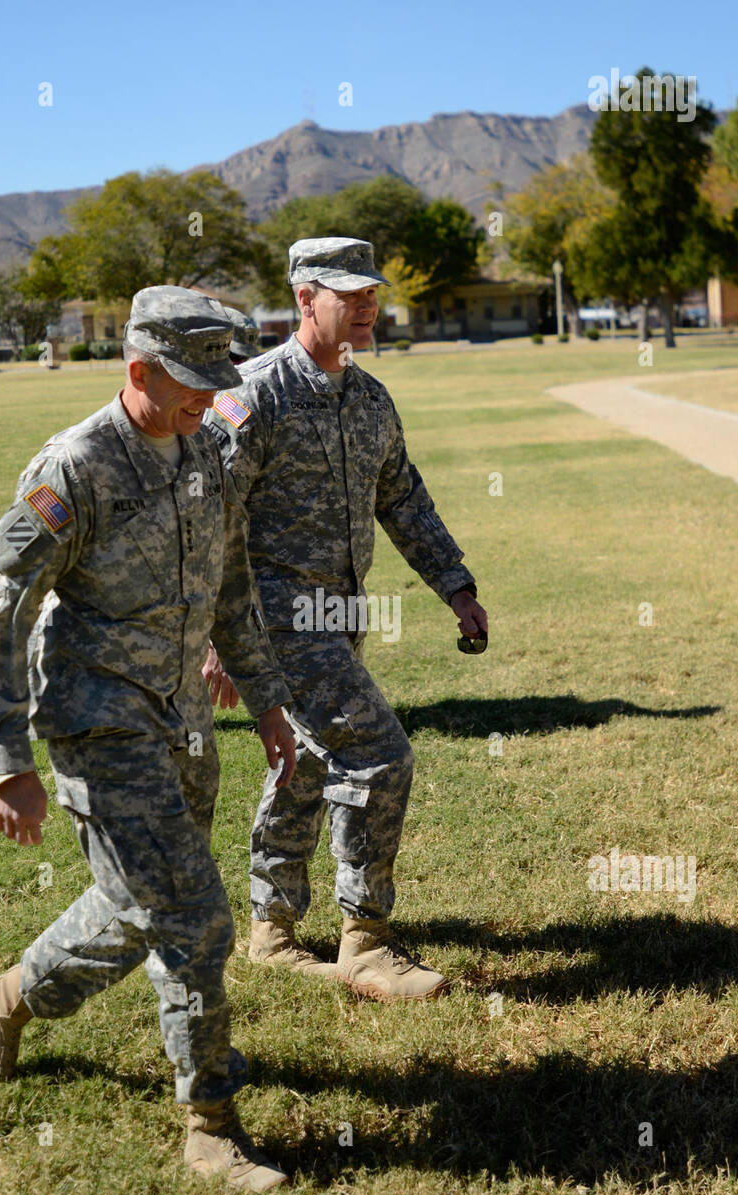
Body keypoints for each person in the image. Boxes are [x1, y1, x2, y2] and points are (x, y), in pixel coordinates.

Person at [0, 286, 297, 1193]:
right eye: (187, 383)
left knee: (138, 904)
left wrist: (263, 699)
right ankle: (210, 1126)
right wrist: (7, 761)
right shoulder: (77, 466)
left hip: (182, 717)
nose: (204, 400)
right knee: (194, 917)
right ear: (136, 369)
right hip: (99, 724)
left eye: (213, 382)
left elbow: (231, 588)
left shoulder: (209, 450)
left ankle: (0, 1001)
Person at [201, 237, 489, 1002]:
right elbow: (214, 520)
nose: (367, 307)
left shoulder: (369, 400)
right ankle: (366, 940)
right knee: (380, 752)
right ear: (305, 299)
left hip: (342, 614)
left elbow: (403, 499)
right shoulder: (252, 394)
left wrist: (455, 586)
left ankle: (272, 929)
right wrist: (218, 640)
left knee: (309, 759)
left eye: (372, 294)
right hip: (276, 620)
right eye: (349, 294)